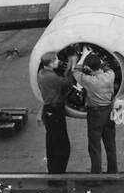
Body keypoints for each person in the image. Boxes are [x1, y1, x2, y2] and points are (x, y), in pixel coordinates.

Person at [75, 50, 118, 174]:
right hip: (109, 112)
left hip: (95, 114)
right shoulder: (111, 75)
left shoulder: (88, 81)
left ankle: (96, 176)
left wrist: (83, 56)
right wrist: (99, 60)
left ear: (88, 68)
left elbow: (75, 71)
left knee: (95, 146)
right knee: (110, 145)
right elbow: (107, 67)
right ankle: (113, 173)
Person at [36, 51, 73, 179]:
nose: (58, 62)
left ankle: (53, 174)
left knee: (52, 144)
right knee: (62, 146)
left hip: (49, 110)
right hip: (56, 111)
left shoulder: (41, 73)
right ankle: (58, 177)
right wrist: (70, 69)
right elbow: (67, 84)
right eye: (56, 60)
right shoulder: (52, 78)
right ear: (50, 63)